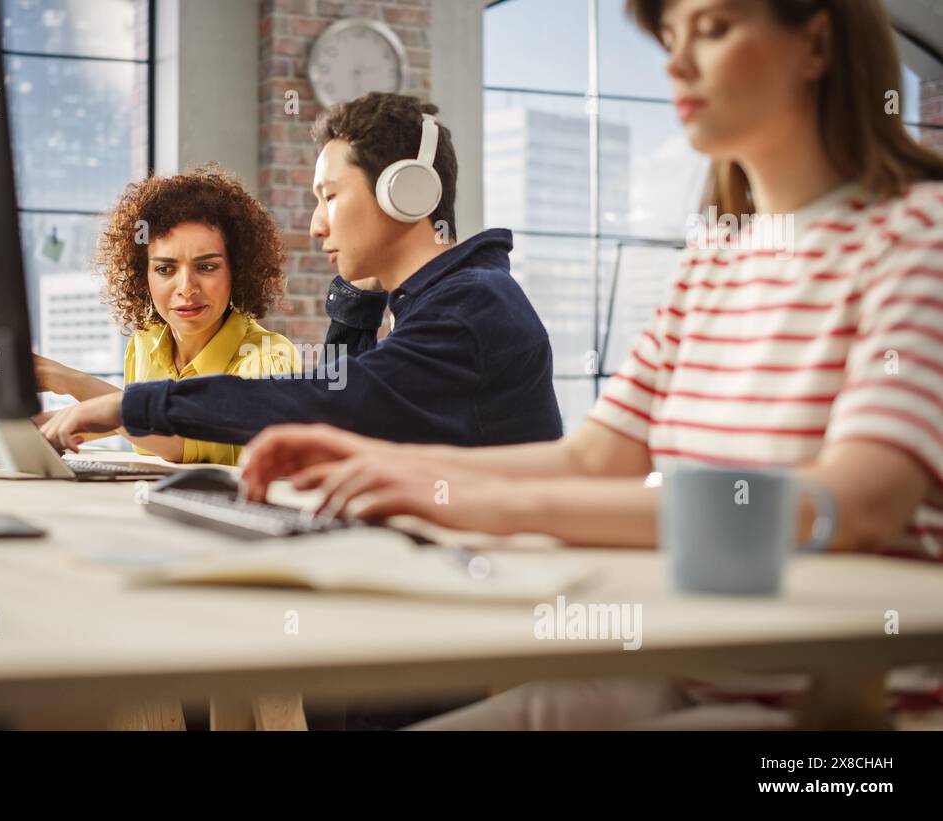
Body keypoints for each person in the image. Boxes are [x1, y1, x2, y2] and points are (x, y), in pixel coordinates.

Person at [239, 0, 943, 729]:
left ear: (817, 44)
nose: (675, 62)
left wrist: (478, 502)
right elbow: (595, 457)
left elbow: (849, 506)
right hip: (688, 664)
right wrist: (386, 467)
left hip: (843, 713)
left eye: (713, 29)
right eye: (670, 37)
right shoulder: (714, 263)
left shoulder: (920, 238)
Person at [37, 92, 563, 454]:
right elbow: (348, 407)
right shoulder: (435, 302)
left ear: (408, 194)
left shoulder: (472, 306)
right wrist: (360, 296)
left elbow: (328, 401)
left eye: (330, 197)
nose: (315, 225)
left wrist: (133, 404)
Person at [33, 166, 299, 465]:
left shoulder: (269, 358)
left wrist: (71, 381)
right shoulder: (146, 345)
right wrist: (27, 426)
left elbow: (184, 441)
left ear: (236, 272)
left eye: (206, 267)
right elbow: (132, 426)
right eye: (165, 269)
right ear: (142, 276)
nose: (186, 288)